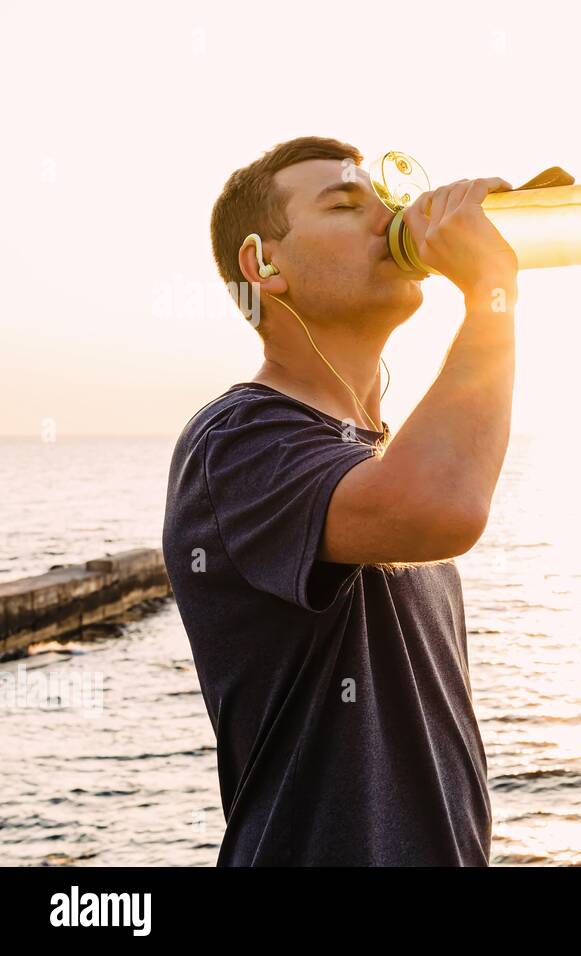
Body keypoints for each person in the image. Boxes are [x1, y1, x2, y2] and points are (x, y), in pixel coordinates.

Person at [161, 136, 518, 865]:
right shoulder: (237, 442)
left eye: (387, 203)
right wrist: (491, 293)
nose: (388, 219)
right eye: (345, 205)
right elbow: (443, 505)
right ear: (264, 266)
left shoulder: (371, 460)